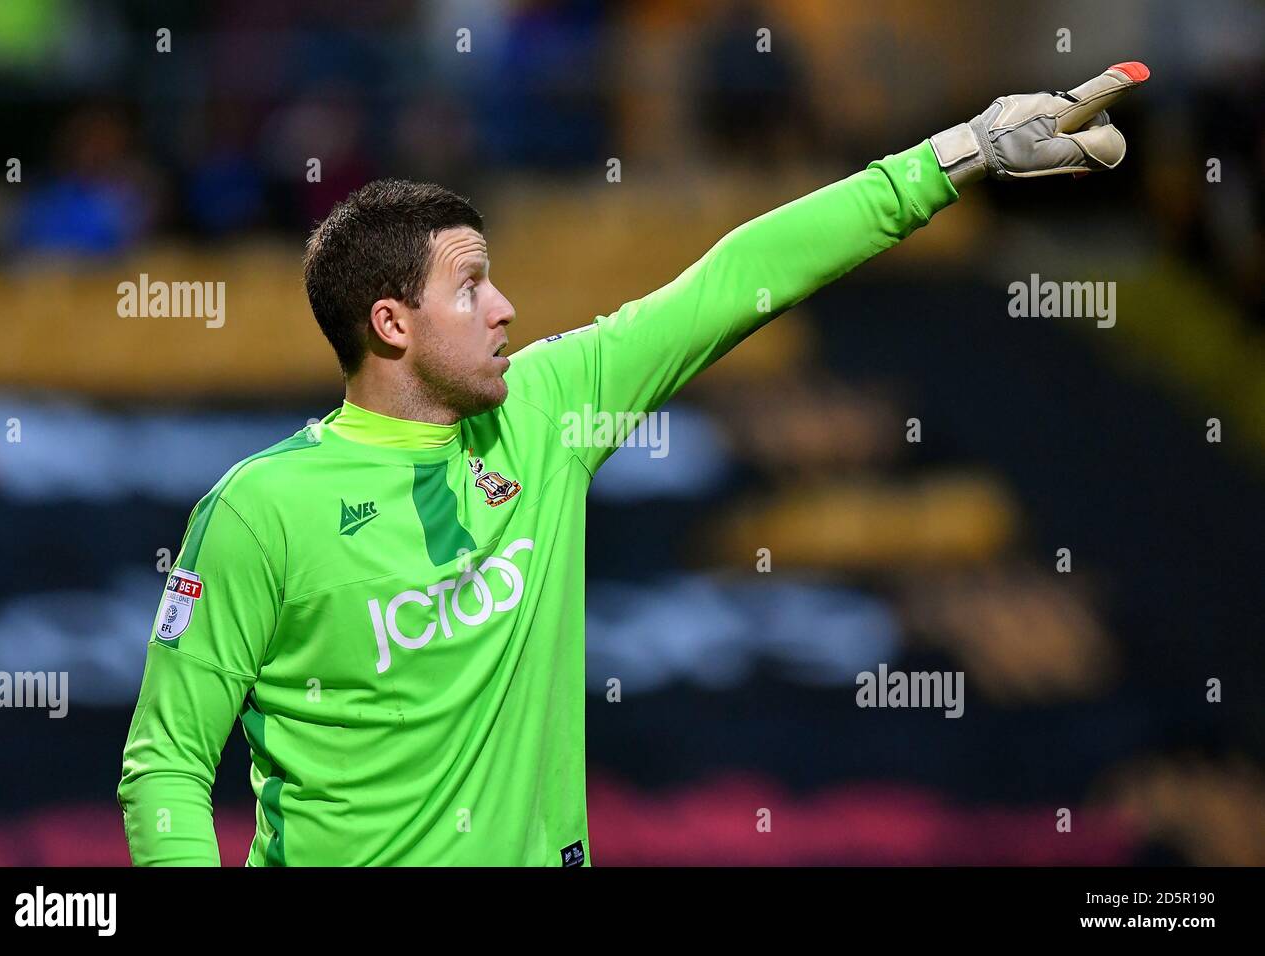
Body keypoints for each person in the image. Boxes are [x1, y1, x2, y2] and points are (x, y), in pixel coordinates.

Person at [118, 63, 1148, 866]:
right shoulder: (260, 509)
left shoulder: (546, 411)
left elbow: (738, 276)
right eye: (471, 286)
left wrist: (956, 155)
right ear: (391, 321)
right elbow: (165, 757)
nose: (506, 307)